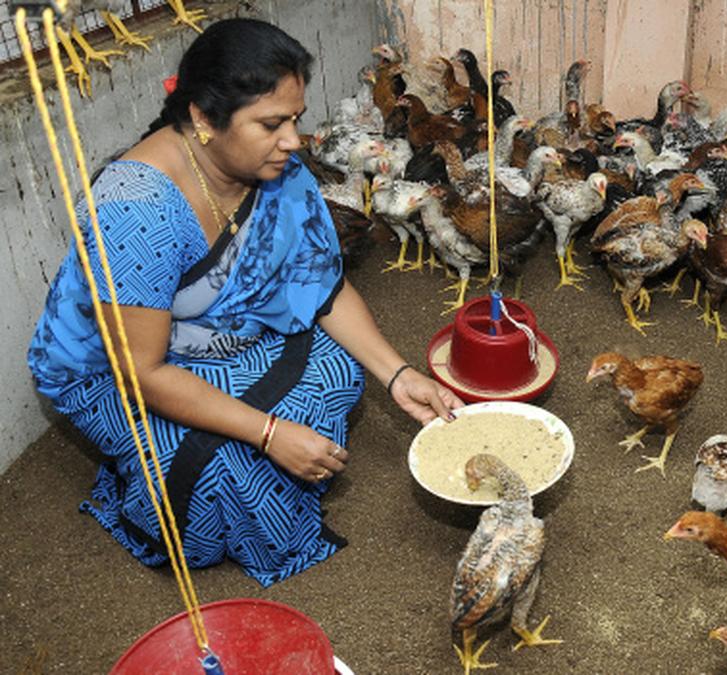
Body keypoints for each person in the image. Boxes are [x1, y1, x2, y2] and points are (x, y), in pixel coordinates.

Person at [26, 18, 463, 587]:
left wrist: (399, 374)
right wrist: (269, 434)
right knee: (217, 471)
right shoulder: (135, 206)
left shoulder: (275, 171)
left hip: (217, 333)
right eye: (271, 123)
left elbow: (320, 285)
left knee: (340, 372)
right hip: (117, 371)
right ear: (205, 119)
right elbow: (143, 372)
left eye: (296, 120)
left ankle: (256, 455)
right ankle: (145, 483)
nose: (293, 140)